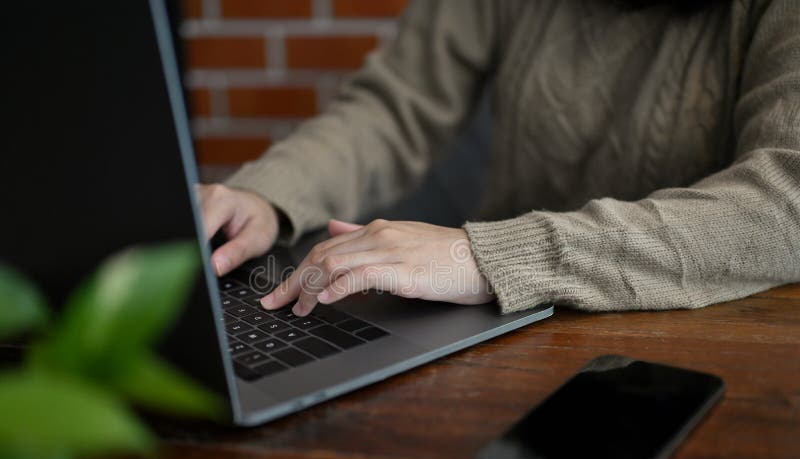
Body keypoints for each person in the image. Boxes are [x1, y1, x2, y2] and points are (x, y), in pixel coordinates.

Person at [199, 0, 800, 318]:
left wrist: (488, 256)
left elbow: (786, 197)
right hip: (498, 325)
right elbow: (393, 107)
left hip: (700, 342)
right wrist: (268, 194)